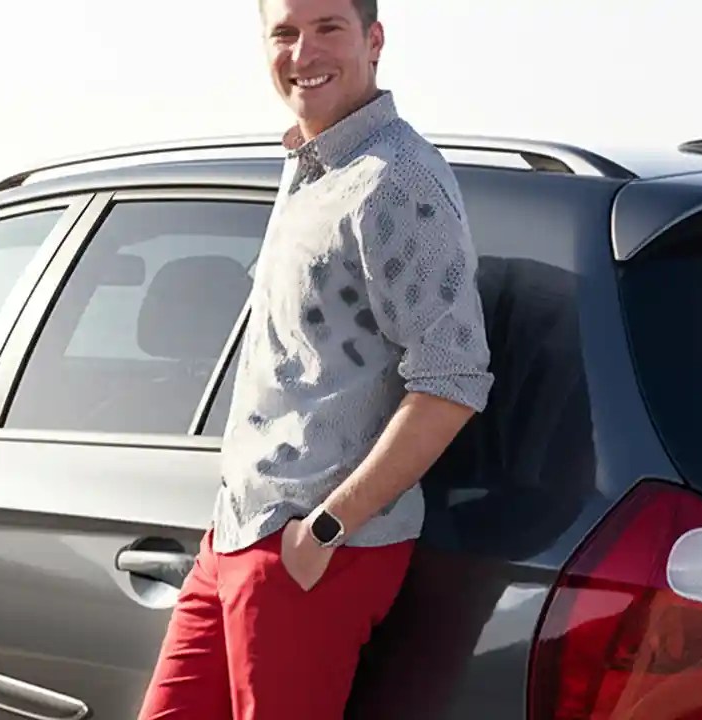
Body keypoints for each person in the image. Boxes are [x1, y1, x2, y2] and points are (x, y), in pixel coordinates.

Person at [137, 0, 494, 718]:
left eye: (328, 27)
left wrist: (326, 528)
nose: (303, 52)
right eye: (284, 33)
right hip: (240, 530)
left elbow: (452, 380)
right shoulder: (313, 164)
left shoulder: (397, 181)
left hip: (313, 549)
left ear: (375, 40)